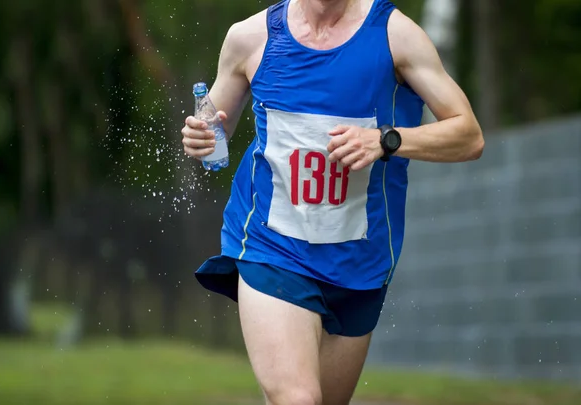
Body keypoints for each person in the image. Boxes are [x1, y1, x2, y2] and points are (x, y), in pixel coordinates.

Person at [181, 0, 484, 404]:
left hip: (359, 260)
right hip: (271, 248)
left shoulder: (395, 36)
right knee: (299, 398)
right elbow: (216, 129)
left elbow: (469, 135)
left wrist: (384, 140)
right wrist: (201, 140)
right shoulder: (251, 37)